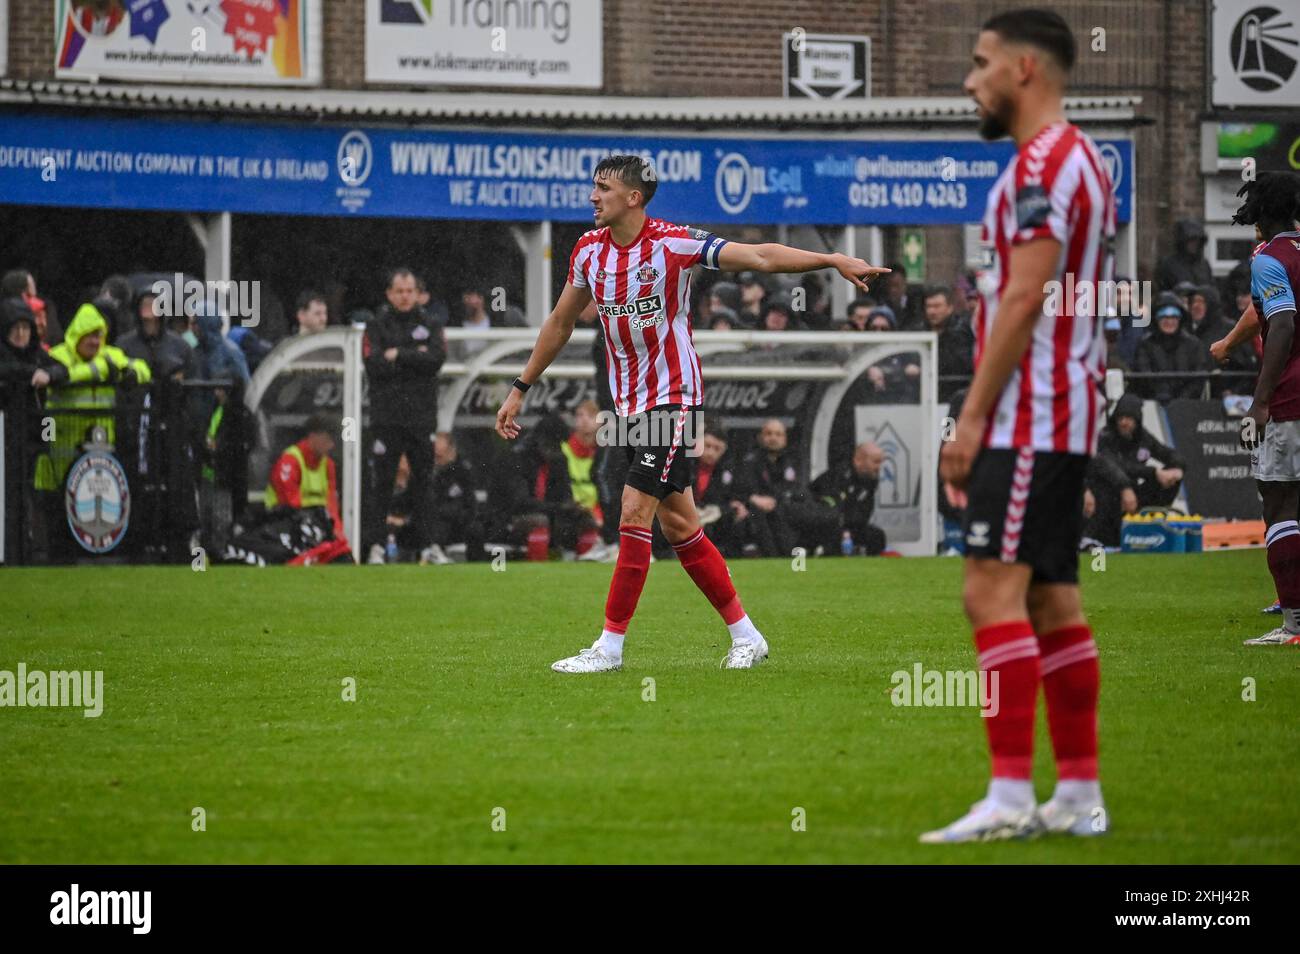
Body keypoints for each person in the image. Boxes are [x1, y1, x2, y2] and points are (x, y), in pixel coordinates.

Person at [495, 153, 887, 672]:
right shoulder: (588, 251)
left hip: (675, 399)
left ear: (633, 197)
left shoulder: (672, 244)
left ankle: (609, 648)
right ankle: (747, 636)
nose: (592, 196)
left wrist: (832, 260)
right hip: (627, 404)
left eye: (603, 187)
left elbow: (762, 257)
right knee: (681, 526)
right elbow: (560, 323)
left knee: (634, 511)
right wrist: (521, 386)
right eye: (593, 186)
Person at [934, 9, 1114, 842]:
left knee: (988, 592)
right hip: (1060, 412)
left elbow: (1024, 295)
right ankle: (1076, 795)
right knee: (1052, 600)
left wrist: (970, 419)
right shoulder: (1073, 160)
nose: (970, 81)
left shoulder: (1043, 165)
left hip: (1030, 415)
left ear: (1025, 68)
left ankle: (1010, 801)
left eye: (979, 64)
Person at [34, 301, 153, 561]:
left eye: (99, 336)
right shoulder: (57, 356)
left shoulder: (110, 355)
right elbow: (56, 376)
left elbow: (144, 369)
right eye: (90, 336)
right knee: (61, 521)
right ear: (78, 335)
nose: (96, 341)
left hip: (101, 459)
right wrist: (93, 372)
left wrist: (130, 374)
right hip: (62, 457)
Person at [1235, 172, 1300, 646]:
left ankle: (1293, 624)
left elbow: (1281, 325)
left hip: (1289, 399)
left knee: (1277, 499)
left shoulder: (1268, 260)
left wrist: (1260, 402)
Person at [363, 267, 447, 564]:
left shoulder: (431, 322)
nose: (404, 296)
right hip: (386, 418)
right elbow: (373, 364)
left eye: (409, 290)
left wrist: (398, 354)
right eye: (399, 291)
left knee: (424, 484)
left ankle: (428, 547)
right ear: (389, 294)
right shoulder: (376, 325)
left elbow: (436, 359)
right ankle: (374, 547)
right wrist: (415, 355)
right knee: (382, 485)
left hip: (421, 418)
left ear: (417, 292)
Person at [0, 297, 64, 562]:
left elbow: (63, 369)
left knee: (36, 494)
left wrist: (49, 375)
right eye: (15, 328)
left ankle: (37, 550)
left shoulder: (39, 354)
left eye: (26, 328)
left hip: (36, 435)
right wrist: (32, 374)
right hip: (5, 439)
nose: (21, 333)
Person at [736, 418, 840, 557]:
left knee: (825, 514)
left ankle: (820, 552)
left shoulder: (793, 461)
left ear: (785, 439)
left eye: (778, 434)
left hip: (790, 507)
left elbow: (799, 489)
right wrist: (754, 498)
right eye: (769, 434)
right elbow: (743, 490)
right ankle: (779, 557)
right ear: (760, 437)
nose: (773, 438)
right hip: (765, 512)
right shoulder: (750, 461)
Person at [1095, 393, 1186, 509]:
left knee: (1174, 470)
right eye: (1120, 418)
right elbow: (1118, 466)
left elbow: (1168, 453)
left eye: (1128, 418)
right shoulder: (1106, 436)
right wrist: (1154, 472)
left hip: (1134, 494)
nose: (1123, 422)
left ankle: (1159, 511)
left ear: (1136, 420)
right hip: (1109, 495)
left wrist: (1177, 469)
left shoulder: (1143, 437)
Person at [1131, 292, 1210, 403]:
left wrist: (1182, 399)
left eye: (1174, 317)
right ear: (1156, 319)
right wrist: (1160, 394)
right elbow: (1144, 375)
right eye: (1164, 317)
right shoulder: (1145, 344)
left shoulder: (1194, 345)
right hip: (1153, 403)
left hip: (1188, 405)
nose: (1169, 321)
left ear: (1180, 319)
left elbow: (1198, 377)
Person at [810, 441, 887, 555]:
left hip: (850, 527)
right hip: (826, 527)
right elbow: (828, 512)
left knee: (877, 536)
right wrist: (845, 530)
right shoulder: (838, 477)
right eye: (876, 462)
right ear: (858, 460)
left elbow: (864, 512)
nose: (879, 467)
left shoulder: (869, 479)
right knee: (834, 537)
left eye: (881, 462)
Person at [920, 285, 976, 401]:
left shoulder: (962, 332)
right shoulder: (919, 331)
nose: (931, 311)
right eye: (928, 306)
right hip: (925, 397)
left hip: (954, 395)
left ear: (950, 307)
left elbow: (961, 364)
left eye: (937, 306)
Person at [1157, 219, 1215, 294]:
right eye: (1190, 241)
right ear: (1182, 242)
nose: (1194, 244)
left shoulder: (1204, 265)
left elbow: (1211, 290)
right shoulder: (1168, 264)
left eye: (1197, 241)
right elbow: (1162, 292)